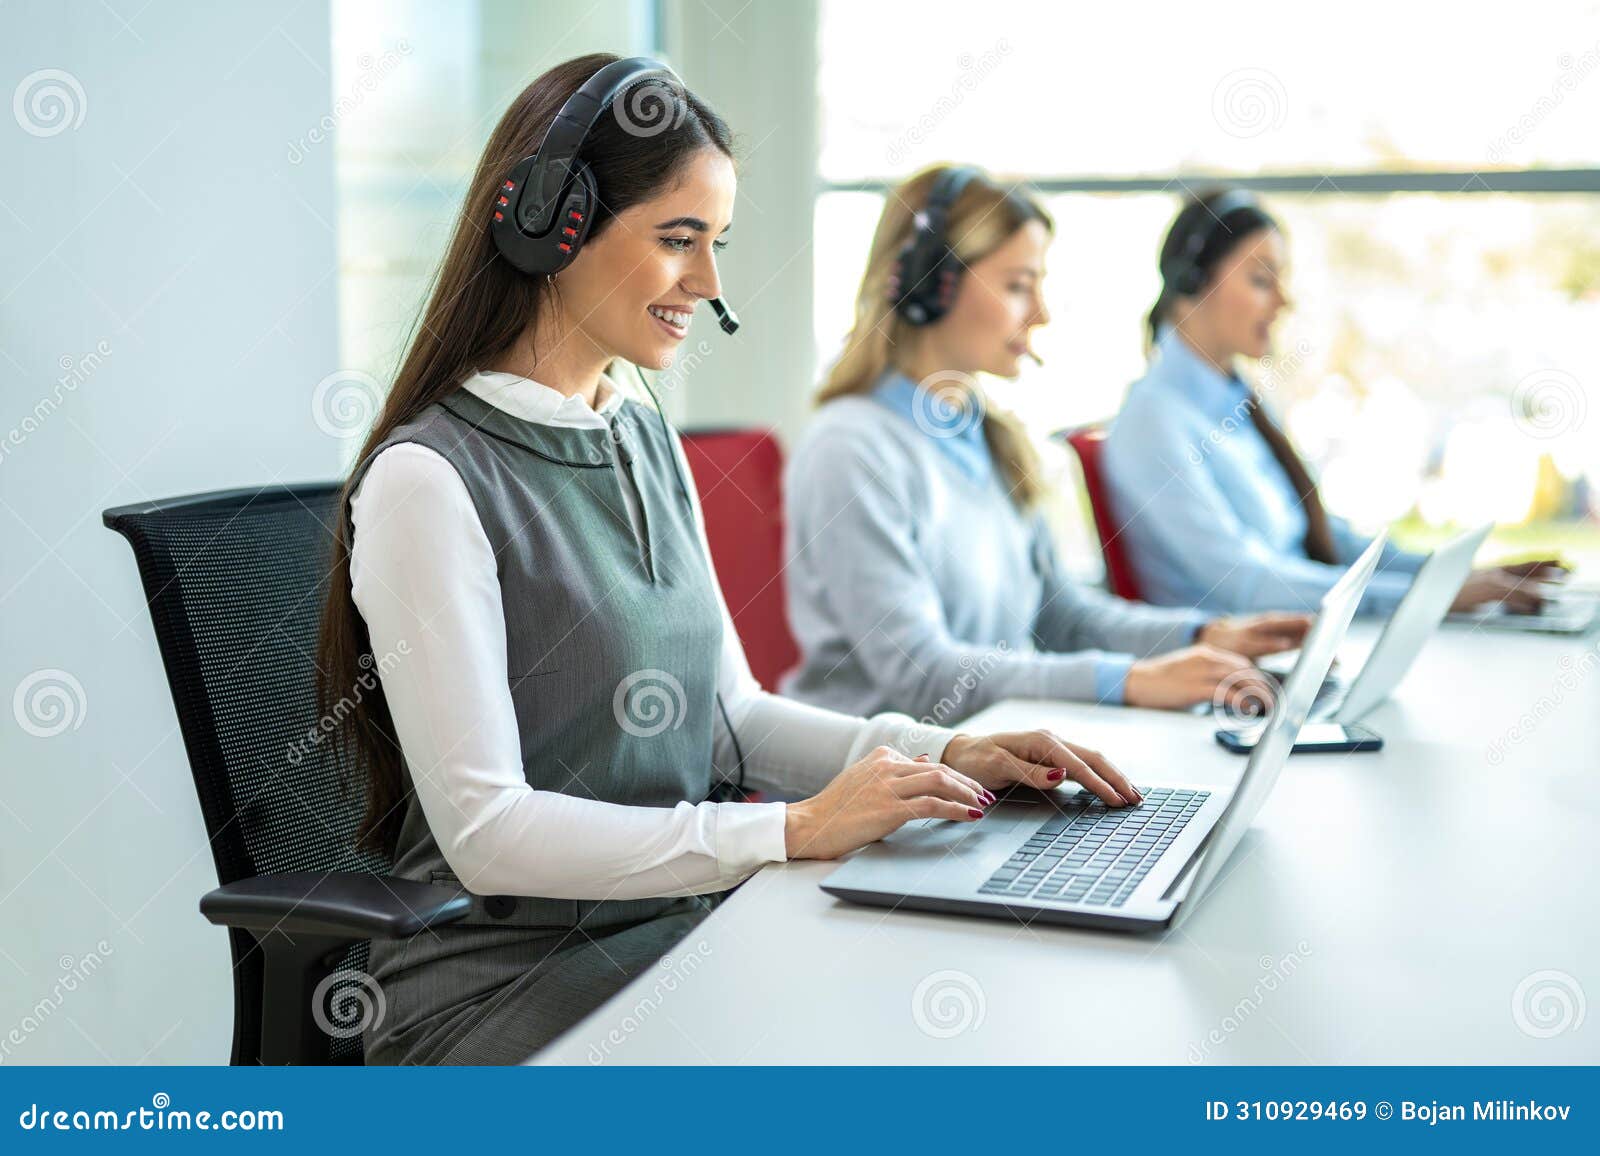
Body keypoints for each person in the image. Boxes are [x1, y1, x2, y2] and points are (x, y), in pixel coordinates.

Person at [314, 59, 1139, 1066]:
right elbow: (488, 830)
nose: (708, 284)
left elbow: (729, 719)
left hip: (673, 924)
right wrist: (787, 831)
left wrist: (936, 752)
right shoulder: (428, 480)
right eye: (678, 240)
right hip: (500, 984)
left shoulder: (641, 433)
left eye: (716, 244)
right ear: (550, 225)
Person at [781, 165, 1311, 727]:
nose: (1041, 314)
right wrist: (1132, 682)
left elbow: (1062, 617)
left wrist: (1200, 635)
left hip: (991, 761)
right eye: (1017, 286)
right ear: (930, 286)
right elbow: (925, 677)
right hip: (885, 788)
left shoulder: (984, 435)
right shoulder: (850, 449)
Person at [1103, 187, 1563, 617]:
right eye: (1262, 279)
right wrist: (1426, 598)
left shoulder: (1238, 404)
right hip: (1244, 667)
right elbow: (1243, 584)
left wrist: (1449, 574)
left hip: (1309, 635)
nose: (1284, 301)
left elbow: (1326, 537)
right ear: (1191, 283)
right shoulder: (1154, 421)